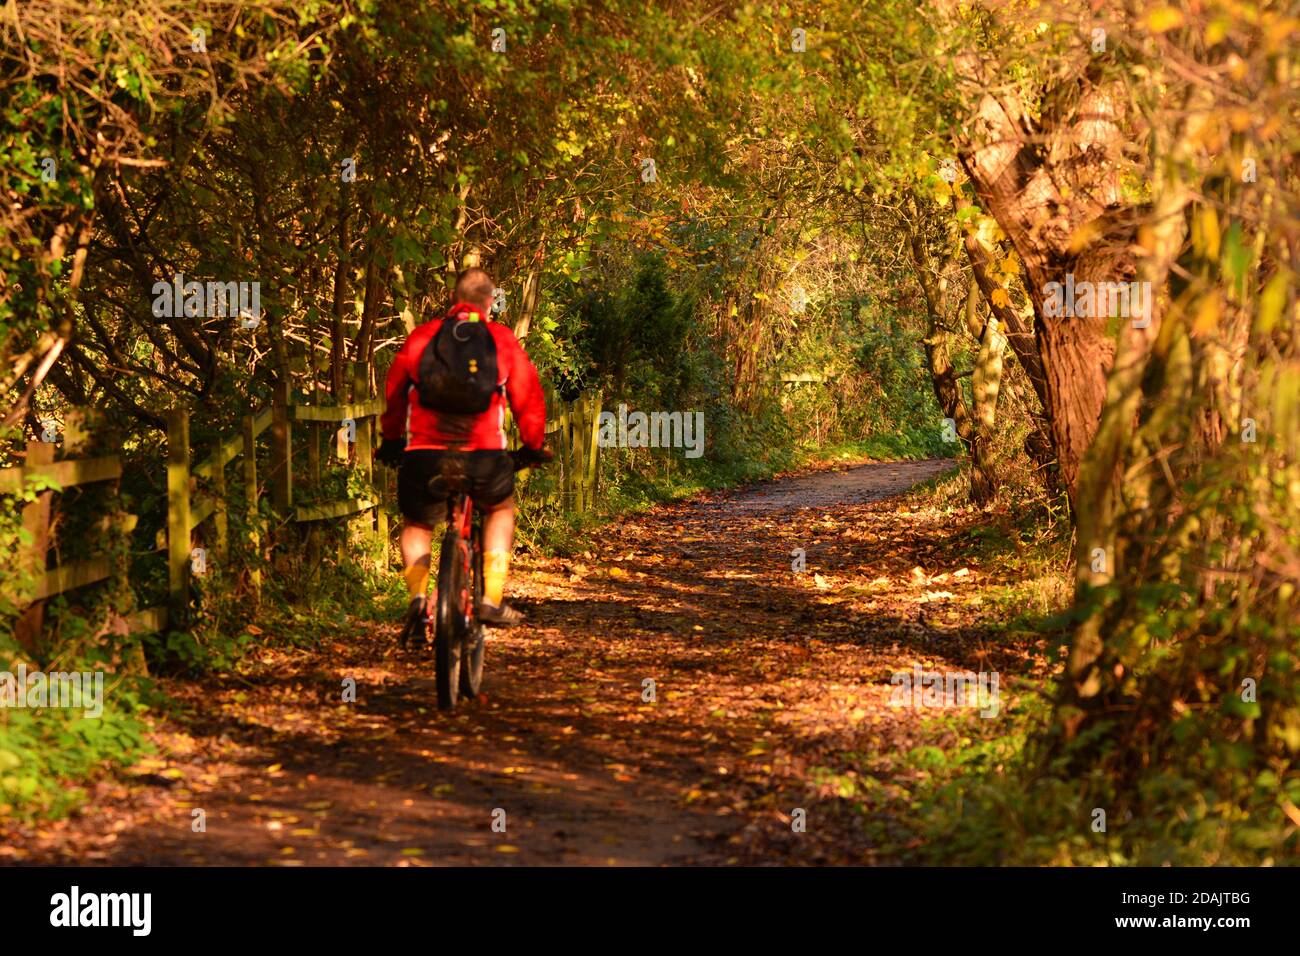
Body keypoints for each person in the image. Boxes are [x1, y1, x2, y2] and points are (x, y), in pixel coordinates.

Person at [375, 267, 547, 638]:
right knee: (500, 509)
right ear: (490, 303)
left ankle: (418, 600)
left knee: (418, 524)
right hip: (485, 456)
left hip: (424, 455)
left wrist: (391, 440)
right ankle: (491, 599)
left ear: (453, 299)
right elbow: (528, 399)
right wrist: (533, 446)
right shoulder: (501, 339)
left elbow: (394, 392)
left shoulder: (423, 337)